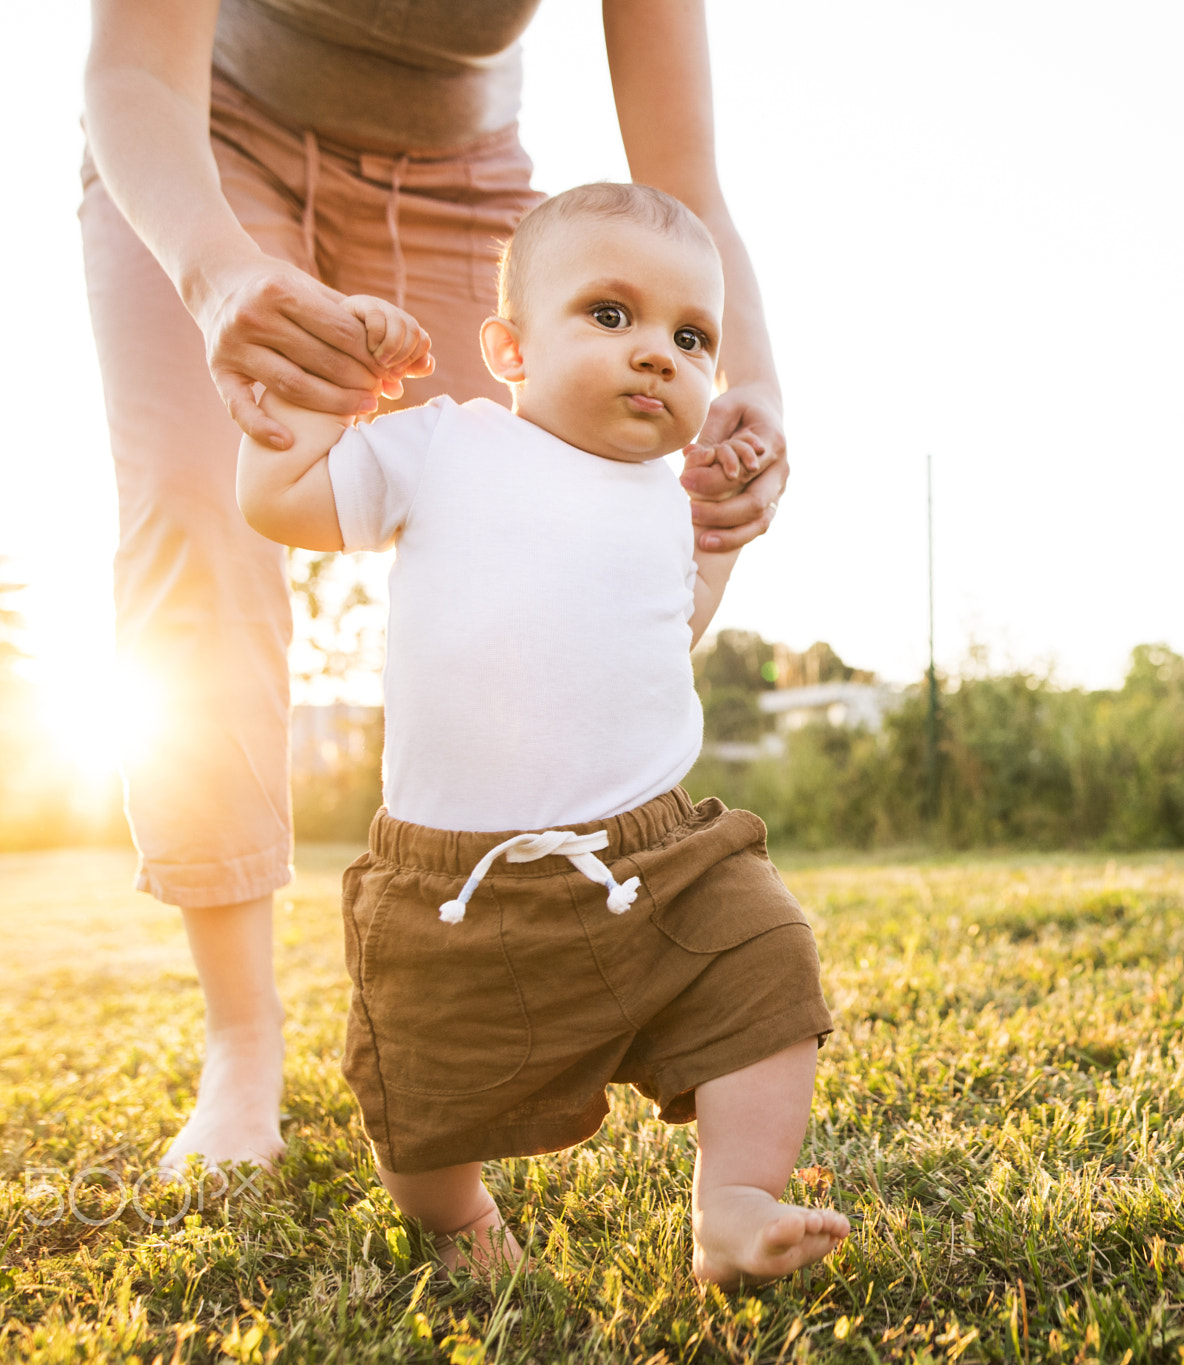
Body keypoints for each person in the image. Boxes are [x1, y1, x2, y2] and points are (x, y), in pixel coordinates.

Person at [81, 0, 790, 1171]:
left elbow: (681, 174)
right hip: (199, 139)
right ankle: (242, 1044)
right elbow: (133, 74)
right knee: (198, 524)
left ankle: (538, 962)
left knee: (547, 511)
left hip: (463, 176)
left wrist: (749, 389)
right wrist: (218, 281)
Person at [234, 181, 847, 1283]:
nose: (657, 352)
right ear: (508, 351)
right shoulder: (444, 446)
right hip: (454, 886)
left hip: (657, 863)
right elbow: (284, 501)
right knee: (418, 1106)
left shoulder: (663, 497)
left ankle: (736, 1200)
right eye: (610, 316)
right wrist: (318, 395)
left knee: (766, 967)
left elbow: (672, 632)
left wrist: (720, 543)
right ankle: (455, 1218)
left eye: (691, 335)